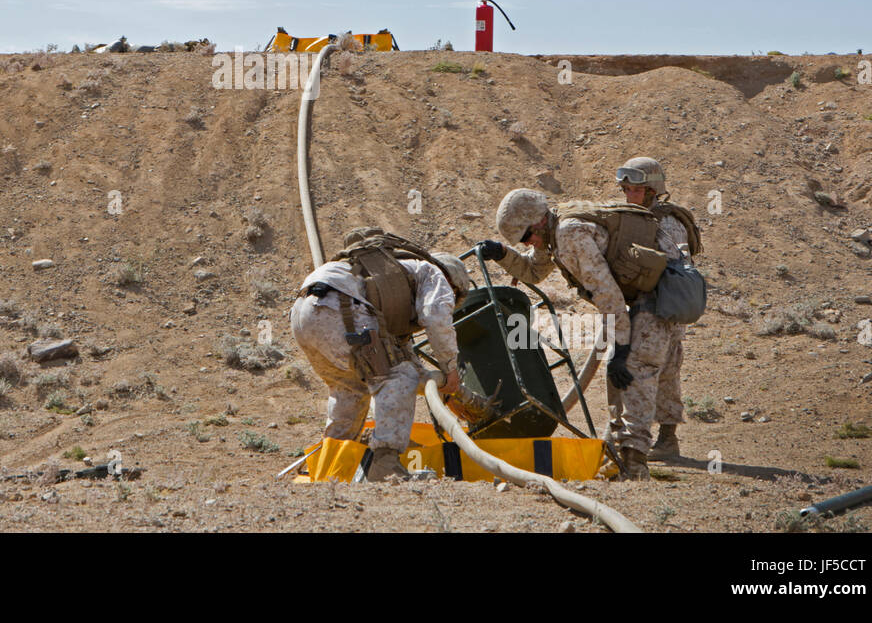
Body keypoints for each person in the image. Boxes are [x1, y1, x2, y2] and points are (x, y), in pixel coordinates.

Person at [476, 189, 669, 480]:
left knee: (633, 371)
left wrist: (622, 345)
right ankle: (619, 455)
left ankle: (635, 464)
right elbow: (534, 270)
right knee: (615, 372)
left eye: (527, 237)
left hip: (655, 301)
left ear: (538, 222)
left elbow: (607, 292)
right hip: (635, 302)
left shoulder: (568, 234)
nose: (528, 244)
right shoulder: (553, 232)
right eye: (523, 242)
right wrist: (503, 254)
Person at [291, 229, 469, 481]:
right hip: (341, 308)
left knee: (350, 388)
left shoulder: (394, 278)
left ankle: (331, 463)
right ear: (455, 285)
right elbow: (435, 316)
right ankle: (385, 464)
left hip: (303, 312)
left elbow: (405, 356)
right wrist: (450, 369)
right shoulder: (434, 274)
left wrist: (441, 388)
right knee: (399, 377)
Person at [615, 157, 701, 460]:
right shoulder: (641, 219)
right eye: (625, 190)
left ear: (652, 190)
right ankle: (661, 440)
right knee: (661, 372)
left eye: (635, 190)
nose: (628, 195)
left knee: (657, 373)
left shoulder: (666, 223)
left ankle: (659, 440)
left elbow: (671, 266)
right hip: (658, 307)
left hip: (665, 308)